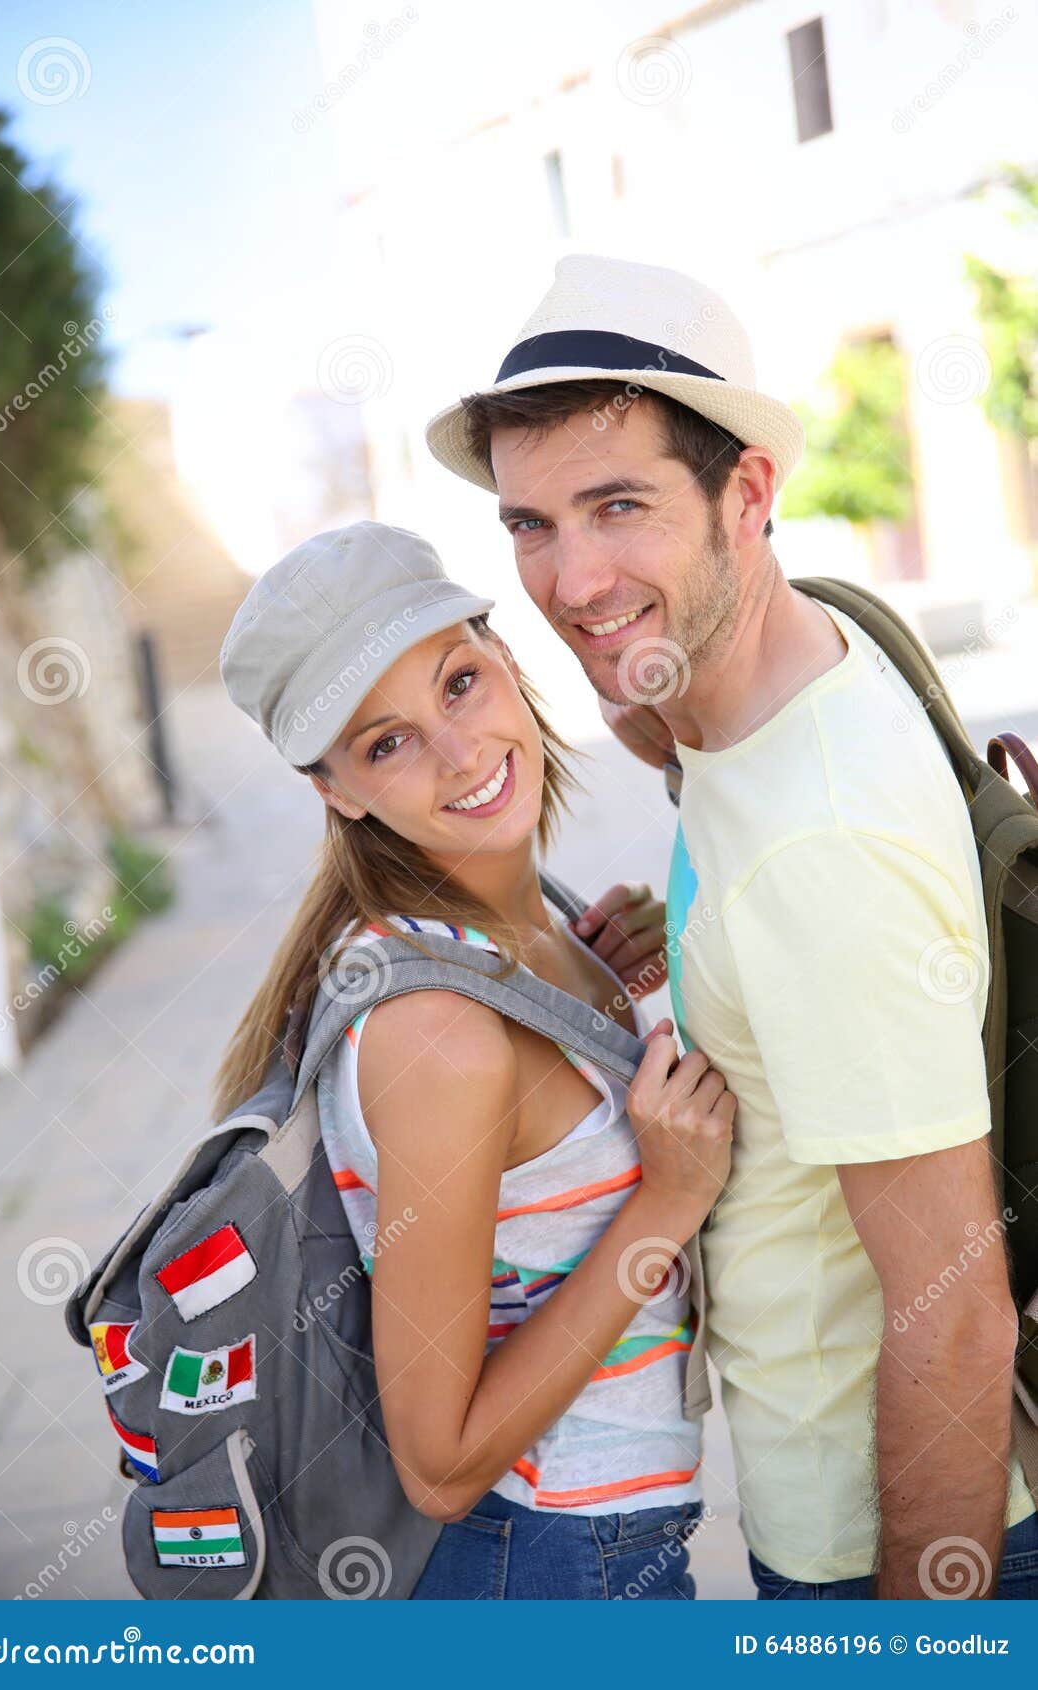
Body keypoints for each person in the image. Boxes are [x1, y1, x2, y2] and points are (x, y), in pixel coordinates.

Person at [422, 252, 1038, 1599]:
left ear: (746, 494)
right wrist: (702, 951)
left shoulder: (817, 848)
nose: (570, 578)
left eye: (618, 506)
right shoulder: (785, 662)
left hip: (884, 1535)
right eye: (530, 523)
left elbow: (953, 1321)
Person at [215, 519, 736, 1600]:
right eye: (386, 743)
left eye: (457, 682)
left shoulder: (508, 933)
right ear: (335, 790)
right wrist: (666, 1201)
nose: (459, 755)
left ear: (501, 654)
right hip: (551, 1561)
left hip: (582, 1548)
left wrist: (598, 992)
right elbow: (440, 1463)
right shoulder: (440, 1034)